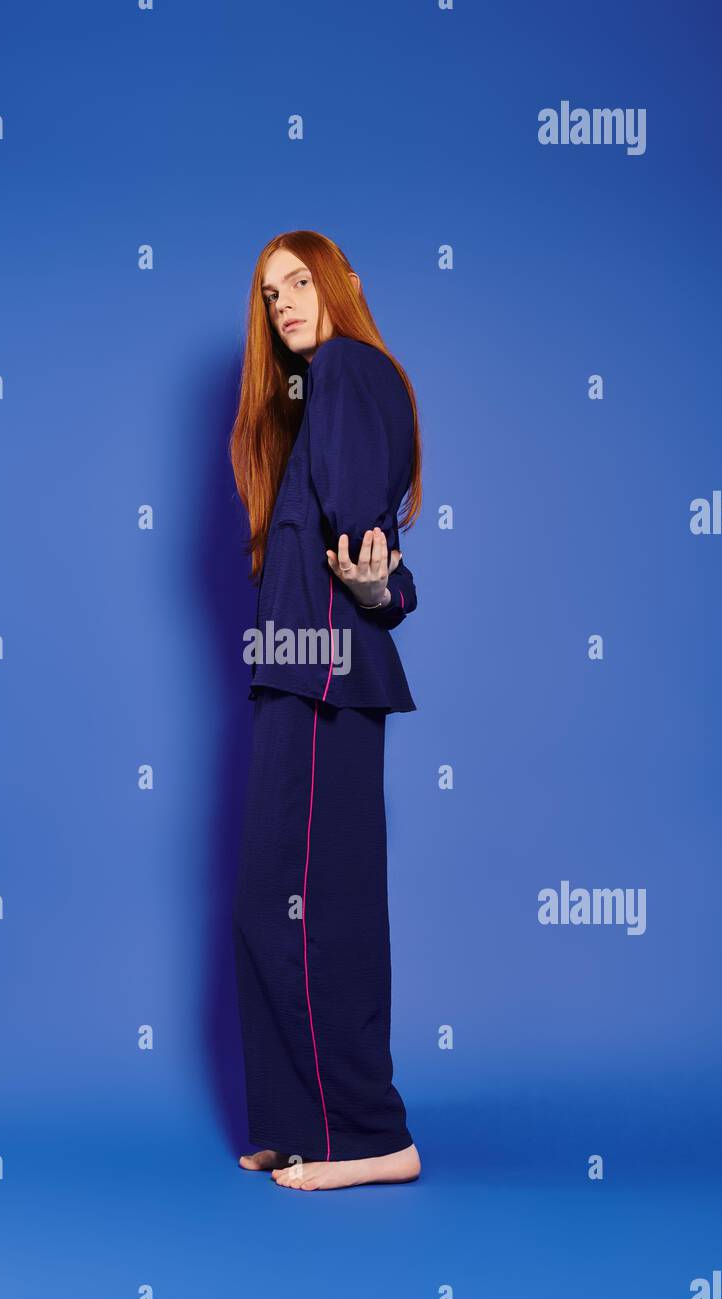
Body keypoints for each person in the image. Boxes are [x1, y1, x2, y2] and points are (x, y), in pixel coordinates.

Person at [229, 229, 423, 1192]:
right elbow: (384, 571)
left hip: (323, 677)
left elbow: (357, 519)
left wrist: (363, 557)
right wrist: (377, 578)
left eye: (299, 283)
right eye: (270, 296)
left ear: (339, 284)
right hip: (292, 671)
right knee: (269, 901)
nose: (284, 305)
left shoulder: (348, 366)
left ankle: (370, 1138)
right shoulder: (314, 404)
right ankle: (295, 1121)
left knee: (320, 907)